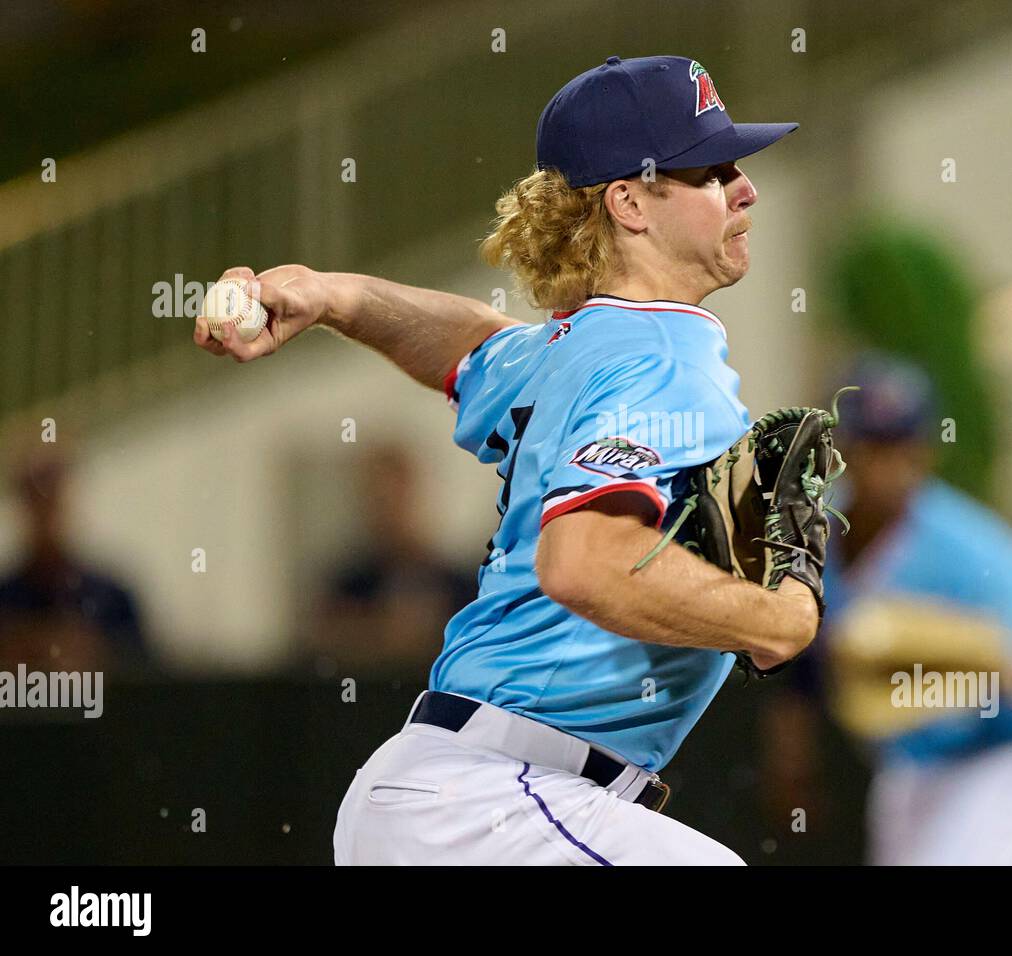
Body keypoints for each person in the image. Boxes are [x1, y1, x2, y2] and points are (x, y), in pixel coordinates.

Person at [193, 55, 817, 865]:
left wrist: (333, 296)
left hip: (446, 796)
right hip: (497, 801)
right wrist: (780, 619)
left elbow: (470, 347)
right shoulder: (665, 356)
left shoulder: (572, 347)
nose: (745, 188)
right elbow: (584, 564)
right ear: (629, 201)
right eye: (709, 171)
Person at [761, 354, 1012, 865]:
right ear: (840, 451)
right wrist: (790, 765)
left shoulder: (964, 548)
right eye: (873, 444)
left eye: (901, 445)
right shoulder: (815, 537)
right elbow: (801, 664)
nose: (887, 464)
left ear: (924, 450)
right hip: (922, 763)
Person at [313, 443, 475, 669]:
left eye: (395, 495)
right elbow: (325, 644)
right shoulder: (347, 584)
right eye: (377, 498)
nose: (388, 510)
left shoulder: (462, 584)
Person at [0, 446, 148, 672]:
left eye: (52, 492)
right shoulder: (6, 599)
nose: (45, 508)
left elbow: (147, 679)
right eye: (35, 496)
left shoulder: (113, 600)